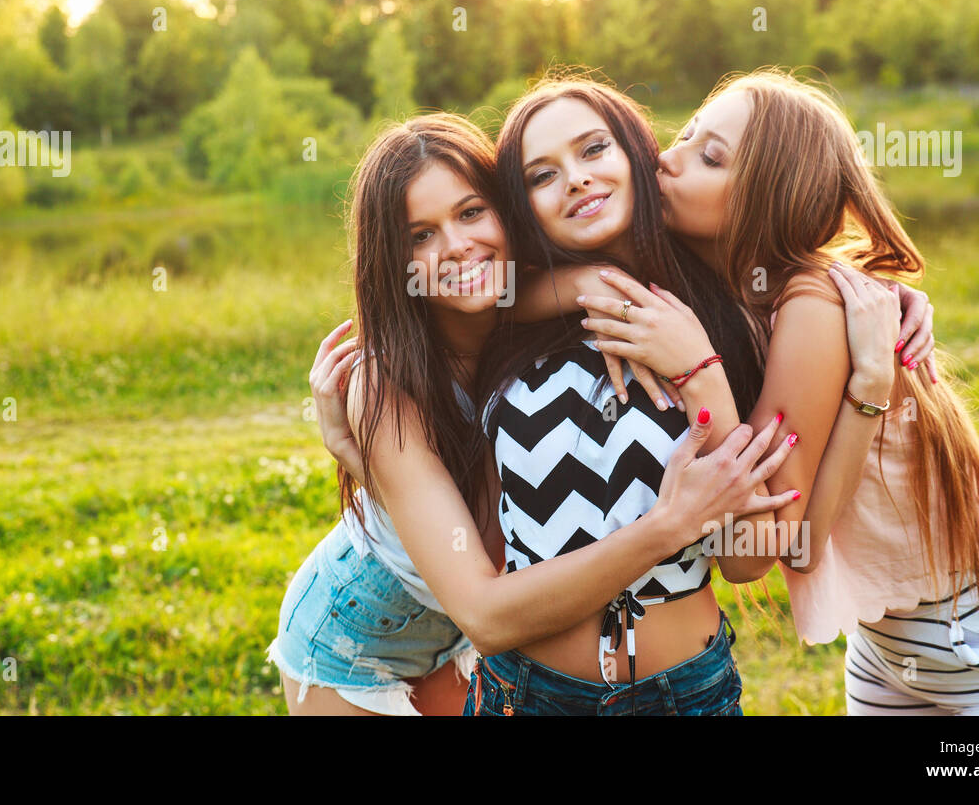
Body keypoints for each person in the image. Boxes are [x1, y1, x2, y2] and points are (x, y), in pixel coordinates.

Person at [593, 67, 979, 715]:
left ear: (765, 198)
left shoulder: (811, 306)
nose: (668, 161)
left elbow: (775, 549)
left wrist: (865, 390)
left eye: (711, 157)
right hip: (892, 654)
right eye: (687, 136)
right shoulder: (744, 299)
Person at [267, 112, 795, 716]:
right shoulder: (384, 383)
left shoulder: (521, 303)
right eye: (420, 235)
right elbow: (487, 613)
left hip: (475, 635)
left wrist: (852, 286)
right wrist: (669, 524)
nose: (457, 245)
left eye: (470, 213)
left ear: (504, 210)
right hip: (361, 642)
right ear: (395, 261)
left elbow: (617, 278)